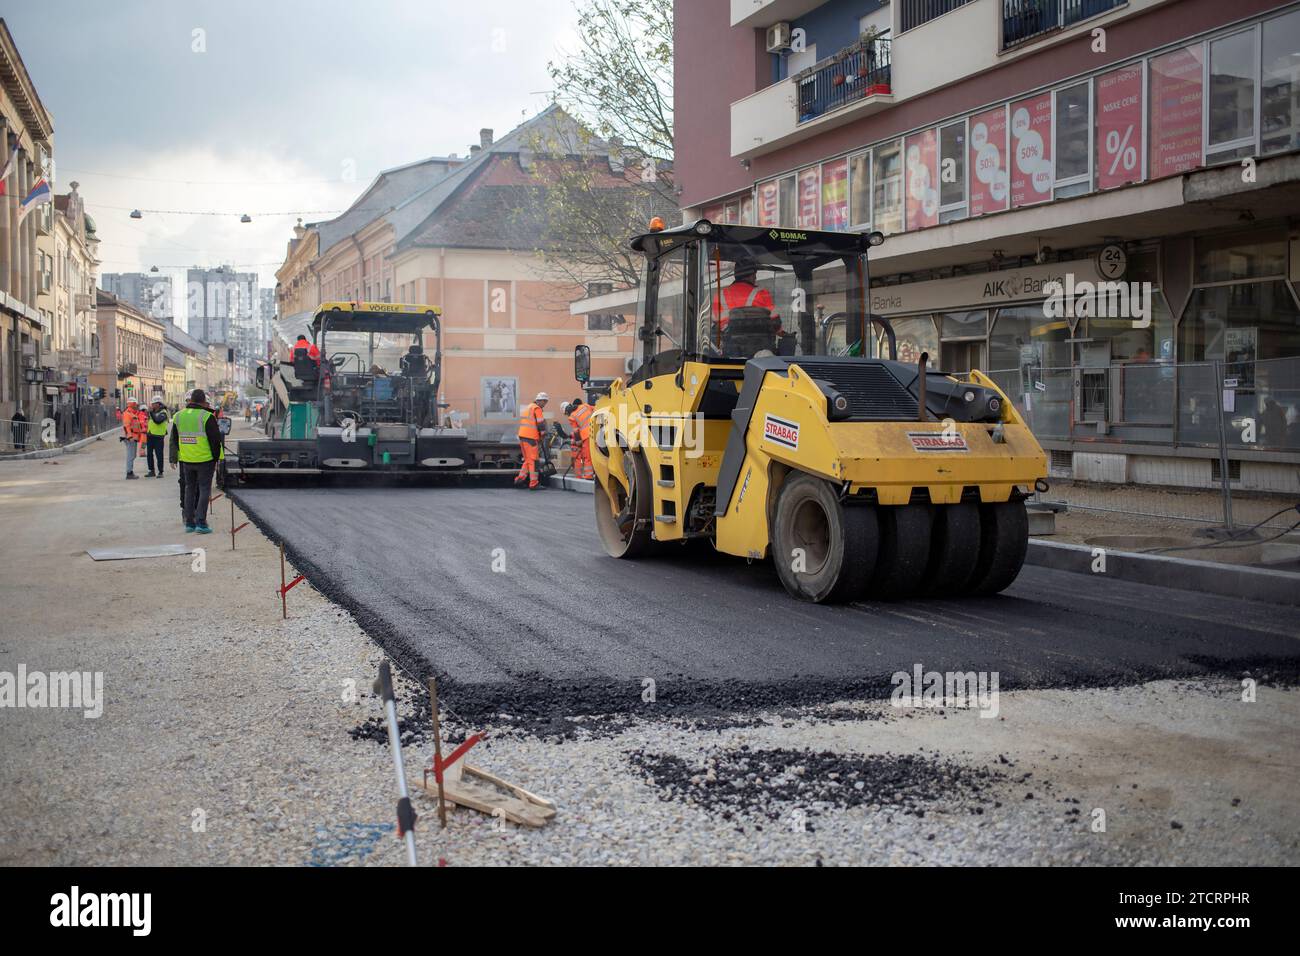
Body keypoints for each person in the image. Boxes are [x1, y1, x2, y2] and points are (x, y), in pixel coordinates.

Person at [169, 388, 223, 534]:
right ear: (204, 402)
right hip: (205, 459)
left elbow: (174, 438)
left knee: (189, 489)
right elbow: (215, 441)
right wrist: (216, 459)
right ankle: (201, 523)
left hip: (186, 460)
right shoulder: (207, 417)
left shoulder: (178, 416)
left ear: (191, 400)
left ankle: (189, 523)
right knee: (204, 490)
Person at [713, 259, 780, 332]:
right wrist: (783, 334)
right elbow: (776, 323)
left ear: (736, 275)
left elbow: (715, 325)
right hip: (759, 341)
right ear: (752, 275)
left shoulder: (719, 295)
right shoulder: (761, 293)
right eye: (755, 274)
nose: (755, 278)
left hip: (729, 342)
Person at [514, 391, 549, 490]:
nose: (545, 404)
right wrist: (543, 434)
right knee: (534, 460)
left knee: (528, 460)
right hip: (531, 437)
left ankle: (520, 479)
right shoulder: (537, 408)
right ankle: (534, 483)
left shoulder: (529, 407)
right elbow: (540, 423)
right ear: (540, 401)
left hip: (523, 436)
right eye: (544, 402)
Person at [565, 396, 594, 480]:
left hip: (587, 436)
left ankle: (588, 475)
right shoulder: (585, 406)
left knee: (587, 456)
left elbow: (576, 431)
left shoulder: (572, 416)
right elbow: (595, 409)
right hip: (596, 432)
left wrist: (578, 441)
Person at [121, 400, 147, 479]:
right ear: (132, 404)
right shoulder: (127, 414)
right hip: (130, 438)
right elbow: (126, 426)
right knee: (130, 456)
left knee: (132, 456)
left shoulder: (132, 413)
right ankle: (129, 473)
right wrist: (129, 437)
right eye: (136, 404)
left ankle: (130, 472)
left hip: (133, 438)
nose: (137, 405)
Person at [144, 399, 170, 478]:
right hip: (150, 435)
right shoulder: (153, 412)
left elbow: (157, 421)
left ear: (158, 404)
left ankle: (160, 472)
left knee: (159, 454)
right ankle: (151, 470)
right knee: (149, 454)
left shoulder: (164, 413)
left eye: (153, 404)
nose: (152, 405)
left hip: (158, 437)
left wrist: (151, 412)